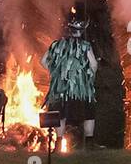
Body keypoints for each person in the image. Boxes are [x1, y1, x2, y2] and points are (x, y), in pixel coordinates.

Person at [42, 15, 98, 148]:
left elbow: (43, 61)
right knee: (88, 114)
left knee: (60, 115)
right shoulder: (85, 46)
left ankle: (58, 143)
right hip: (81, 89)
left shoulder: (57, 44)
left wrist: (56, 72)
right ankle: (89, 144)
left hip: (60, 88)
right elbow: (94, 64)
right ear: (81, 31)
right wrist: (89, 77)